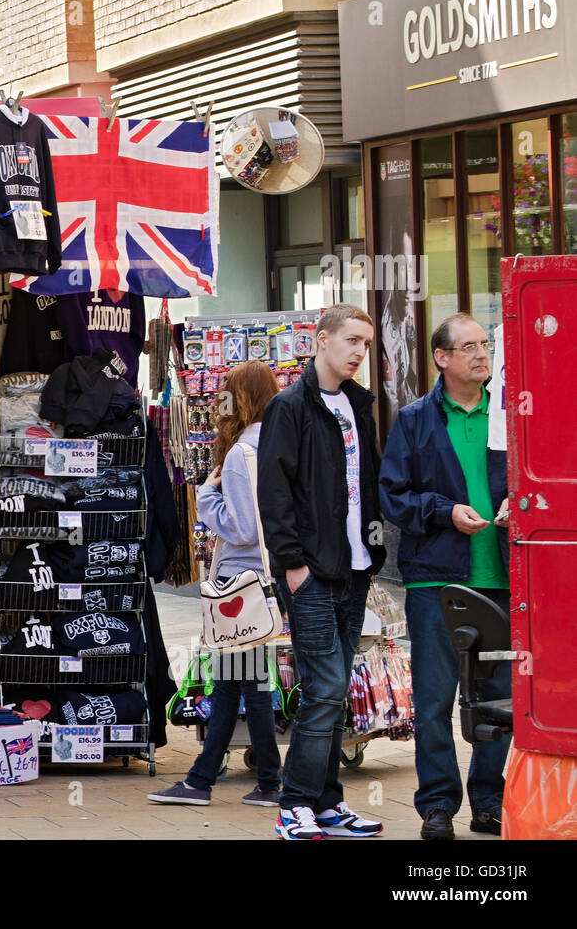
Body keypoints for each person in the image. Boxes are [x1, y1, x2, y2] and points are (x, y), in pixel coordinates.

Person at [257, 303, 387, 840]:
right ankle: (295, 804)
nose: (359, 352)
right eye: (351, 340)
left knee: (328, 691)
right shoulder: (289, 406)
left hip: (354, 569)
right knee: (328, 684)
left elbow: (368, 488)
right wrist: (292, 565)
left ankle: (328, 804)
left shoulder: (359, 405)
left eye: (366, 343)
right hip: (309, 572)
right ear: (322, 339)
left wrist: (373, 555)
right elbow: (274, 490)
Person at [378, 313, 510, 840]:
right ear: (442, 358)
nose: (483, 354)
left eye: (487, 345)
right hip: (435, 582)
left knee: (497, 699)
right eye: (471, 346)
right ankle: (437, 807)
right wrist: (444, 511)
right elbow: (393, 496)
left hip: (501, 580)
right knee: (434, 701)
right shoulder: (414, 420)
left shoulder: (507, 415)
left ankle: (489, 803)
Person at [147, 361, 283, 808]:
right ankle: (215, 780)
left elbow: (242, 528)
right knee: (235, 683)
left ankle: (247, 782)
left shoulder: (244, 452)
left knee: (246, 683)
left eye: (227, 391)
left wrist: (206, 496)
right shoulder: (277, 444)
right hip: (261, 582)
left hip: (239, 586)